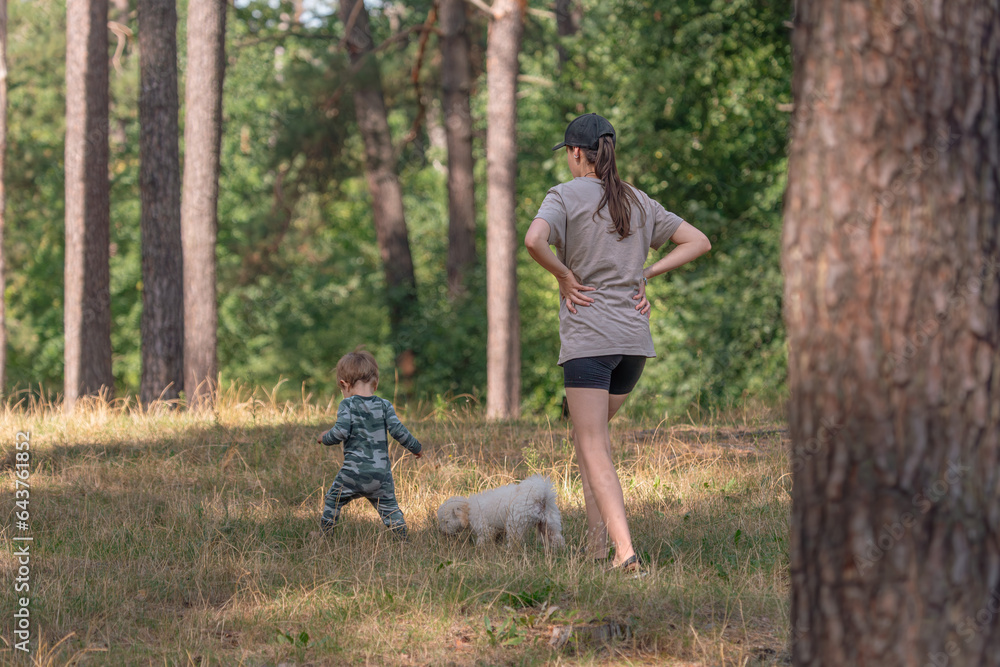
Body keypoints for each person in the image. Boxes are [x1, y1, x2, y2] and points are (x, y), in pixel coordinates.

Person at [524, 113, 711, 573]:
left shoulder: (563, 195)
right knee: (592, 442)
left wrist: (564, 274)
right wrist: (643, 273)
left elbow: (534, 240)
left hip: (590, 338)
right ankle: (594, 547)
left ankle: (625, 553)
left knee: (591, 442)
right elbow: (698, 241)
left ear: (575, 153)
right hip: (632, 345)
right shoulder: (638, 200)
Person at [317, 349, 423, 538]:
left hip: (353, 472)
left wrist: (324, 437)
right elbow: (399, 431)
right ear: (376, 383)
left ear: (344, 385)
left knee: (333, 499)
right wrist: (416, 447)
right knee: (390, 510)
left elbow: (340, 432)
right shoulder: (385, 405)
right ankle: (403, 539)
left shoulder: (347, 405)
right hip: (381, 474)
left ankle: (324, 535)